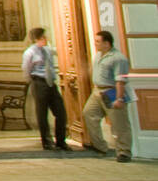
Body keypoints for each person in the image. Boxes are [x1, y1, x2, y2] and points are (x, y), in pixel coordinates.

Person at [82, 30, 132, 162]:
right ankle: (100, 147)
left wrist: (119, 98)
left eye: (98, 41)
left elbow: (120, 80)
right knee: (88, 113)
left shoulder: (118, 58)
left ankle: (124, 152)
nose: (95, 43)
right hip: (97, 91)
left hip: (112, 91)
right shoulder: (97, 56)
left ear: (107, 43)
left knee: (119, 123)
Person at [21, 27, 70, 151]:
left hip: (50, 83)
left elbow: (58, 52)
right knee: (42, 113)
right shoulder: (30, 52)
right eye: (43, 37)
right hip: (39, 82)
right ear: (37, 39)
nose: (46, 39)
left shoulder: (47, 50)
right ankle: (47, 142)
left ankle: (61, 140)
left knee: (60, 112)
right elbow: (26, 69)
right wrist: (32, 82)